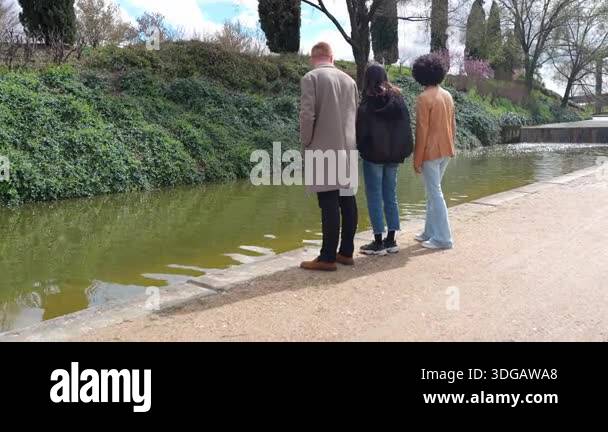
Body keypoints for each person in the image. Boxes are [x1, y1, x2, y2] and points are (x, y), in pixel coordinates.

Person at [299, 42, 360, 272]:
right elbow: (354, 115)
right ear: (331, 57)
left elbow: (307, 115)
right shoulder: (350, 81)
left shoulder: (311, 78)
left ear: (313, 57)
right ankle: (346, 252)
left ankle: (326, 257)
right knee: (347, 199)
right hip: (348, 148)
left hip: (323, 147)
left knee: (328, 202)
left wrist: (306, 141)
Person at [357, 64, 413, 256]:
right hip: (393, 156)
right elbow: (406, 128)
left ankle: (378, 242)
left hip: (374, 156)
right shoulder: (398, 100)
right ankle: (391, 240)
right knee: (390, 194)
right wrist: (402, 152)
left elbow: (361, 133)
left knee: (374, 196)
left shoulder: (367, 103)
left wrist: (363, 150)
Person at [411, 53, 456, 250]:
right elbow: (452, 125)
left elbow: (422, 131)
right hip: (446, 150)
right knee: (433, 192)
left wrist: (417, 158)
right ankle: (429, 232)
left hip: (430, 153)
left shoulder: (423, 98)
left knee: (435, 193)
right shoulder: (447, 95)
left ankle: (443, 238)